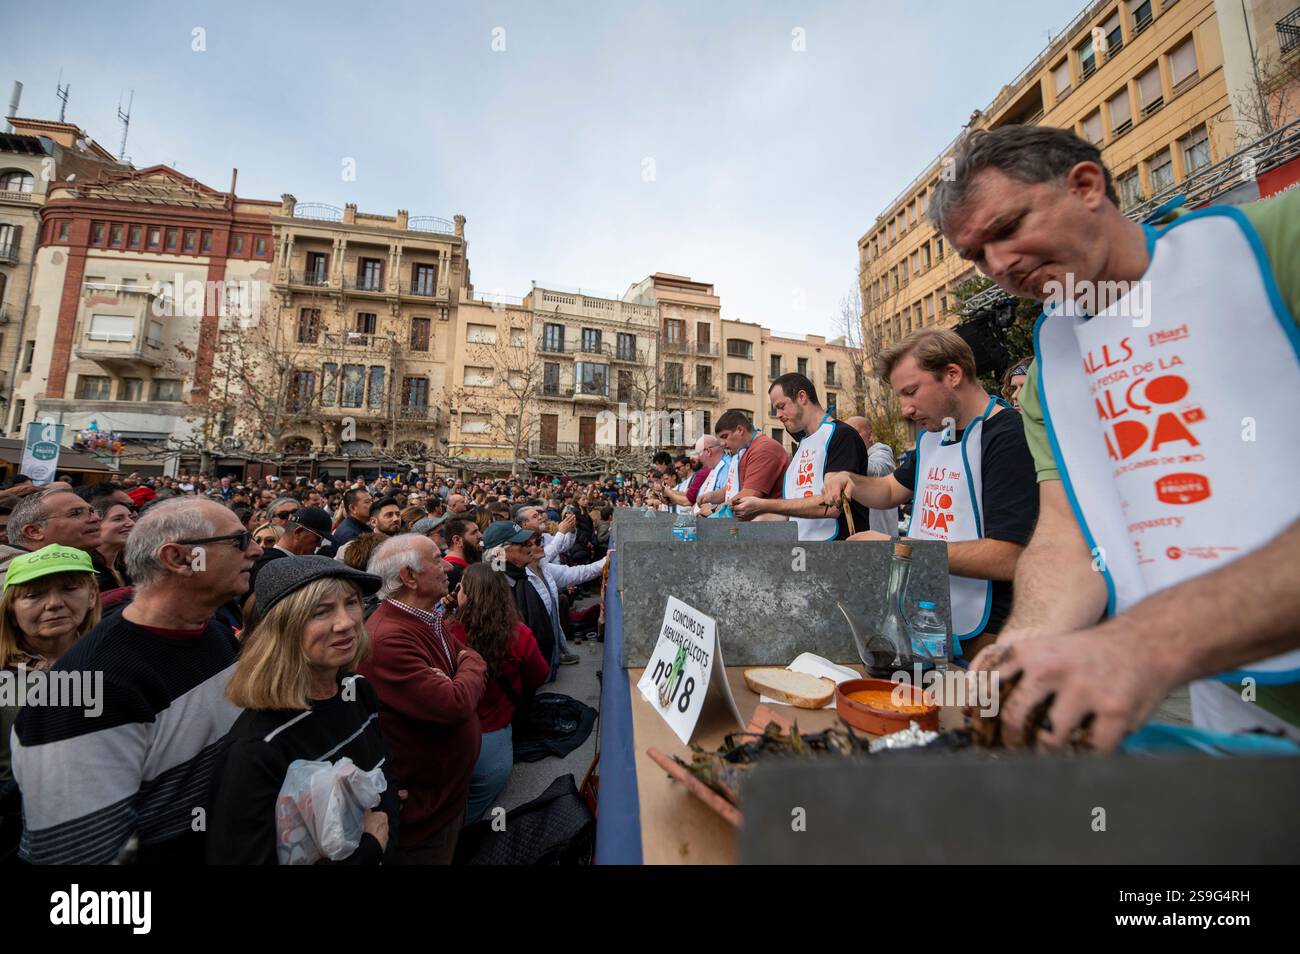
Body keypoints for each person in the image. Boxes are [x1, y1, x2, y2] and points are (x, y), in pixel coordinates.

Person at [929, 124, 1300, 746]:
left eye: (1007, 228)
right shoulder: (1053, 367)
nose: (997, 266)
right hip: (1226, 696)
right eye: (975, 255)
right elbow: (1069, 533)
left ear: (1086, 185)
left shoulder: (1276, 243)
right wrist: (1024, 648)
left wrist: (1142, 643)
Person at [10, 498, 258, 863]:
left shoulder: (216, 636)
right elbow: (79, 858)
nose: (254, 549)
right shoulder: (87, 688)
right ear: (178, 558)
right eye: (238, 541)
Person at [823, 330, 1038, 656]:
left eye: (911, 392)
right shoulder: (933, 437)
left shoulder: (1010, 437)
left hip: (986, 635)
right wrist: (849, 479)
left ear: (952, 375)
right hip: (925, 619)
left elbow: (1009, 557)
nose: (906, 410)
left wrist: (896, 550)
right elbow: (891, 489)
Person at [207, 557, 397, 864]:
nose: (346, 622)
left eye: (351, 603)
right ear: (283, 628)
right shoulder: (256, 748)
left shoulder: (357, 690)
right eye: (321, 611)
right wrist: (370, 848)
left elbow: (383, 777)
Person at [361, 536, 486, 864]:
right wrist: (469, 667)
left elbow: (466, 657)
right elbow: (455, 703)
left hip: (447, 797)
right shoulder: (388, 637)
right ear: (409, 576)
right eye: (436, 559)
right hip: (425, 816)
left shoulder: (424, 616)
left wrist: (464, 667)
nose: (447, 565)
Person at [447, 563, 548, 822]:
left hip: (452, 739)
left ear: (465, 595)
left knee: (447, 820)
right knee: (470, 819)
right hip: (493, 746)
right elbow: (539, 675)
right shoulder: (519, 634)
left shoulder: (447, 633)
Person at [0, 546, 101, 792]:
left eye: (70, 588)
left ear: (92, 595)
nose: (54, 604)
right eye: (34, 595)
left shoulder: (115, 660)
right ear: (11, 610)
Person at [732, 373, 871, 541]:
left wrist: (764, 504)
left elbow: (833, 506)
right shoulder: (802, 445)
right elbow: (793, 513)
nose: (778, 414)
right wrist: (757, 520)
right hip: (804, 553)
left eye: (782, 406)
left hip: (841, 553)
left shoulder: (842, 435)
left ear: (802, 397)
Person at [1, 489, 103, 572]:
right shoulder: (18, 580)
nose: (95, 518)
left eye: (92, 511)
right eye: (76, 513)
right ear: (34, 532)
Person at [713, 409, 789, 512]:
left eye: (725, 436)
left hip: (768, 523)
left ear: (740, 430)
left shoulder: (764, 449)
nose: (723, 443)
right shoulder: (746, 450)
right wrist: (710, 497)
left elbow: (747, 498)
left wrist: (715, 510)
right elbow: (734, 489)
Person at [845, 416, 900, 536]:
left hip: (882, 538)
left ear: (870, 436)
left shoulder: (882, 452)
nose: (849, 438)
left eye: (854, 433)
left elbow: (877, 470)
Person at [90, 497, 135, 591]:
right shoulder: (87, 571)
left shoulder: (128, 567)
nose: (131, 523)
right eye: (118, 519)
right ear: (95, 525)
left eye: (130, 517)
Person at [322, 488, 372, 557]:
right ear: (352, 508)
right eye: (367, 502)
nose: (372, 505)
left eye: (372, 501)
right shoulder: (350, 535)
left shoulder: (355, 526)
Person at [442, 517, 483, 592]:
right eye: (474, 532)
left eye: (478, 531)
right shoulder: (452, 572)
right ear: (457, 540)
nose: (480, 535)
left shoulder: (467, 562)